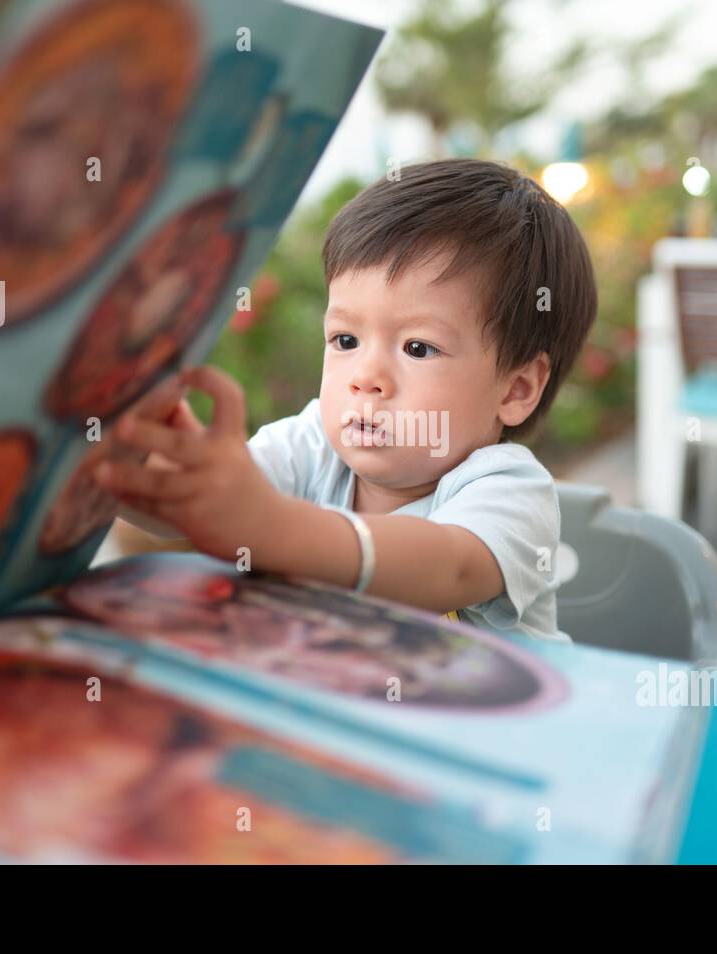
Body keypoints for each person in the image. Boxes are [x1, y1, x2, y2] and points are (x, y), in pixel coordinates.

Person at [96, 159, 598, 643]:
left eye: (417, 348)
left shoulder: (510, 490)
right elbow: (195, 507)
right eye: (345, 340)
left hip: (488, 724)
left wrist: (268, 524)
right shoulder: (314, 443)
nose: (366, 378)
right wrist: (129, 464)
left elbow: (451, 566)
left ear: (516, 389)